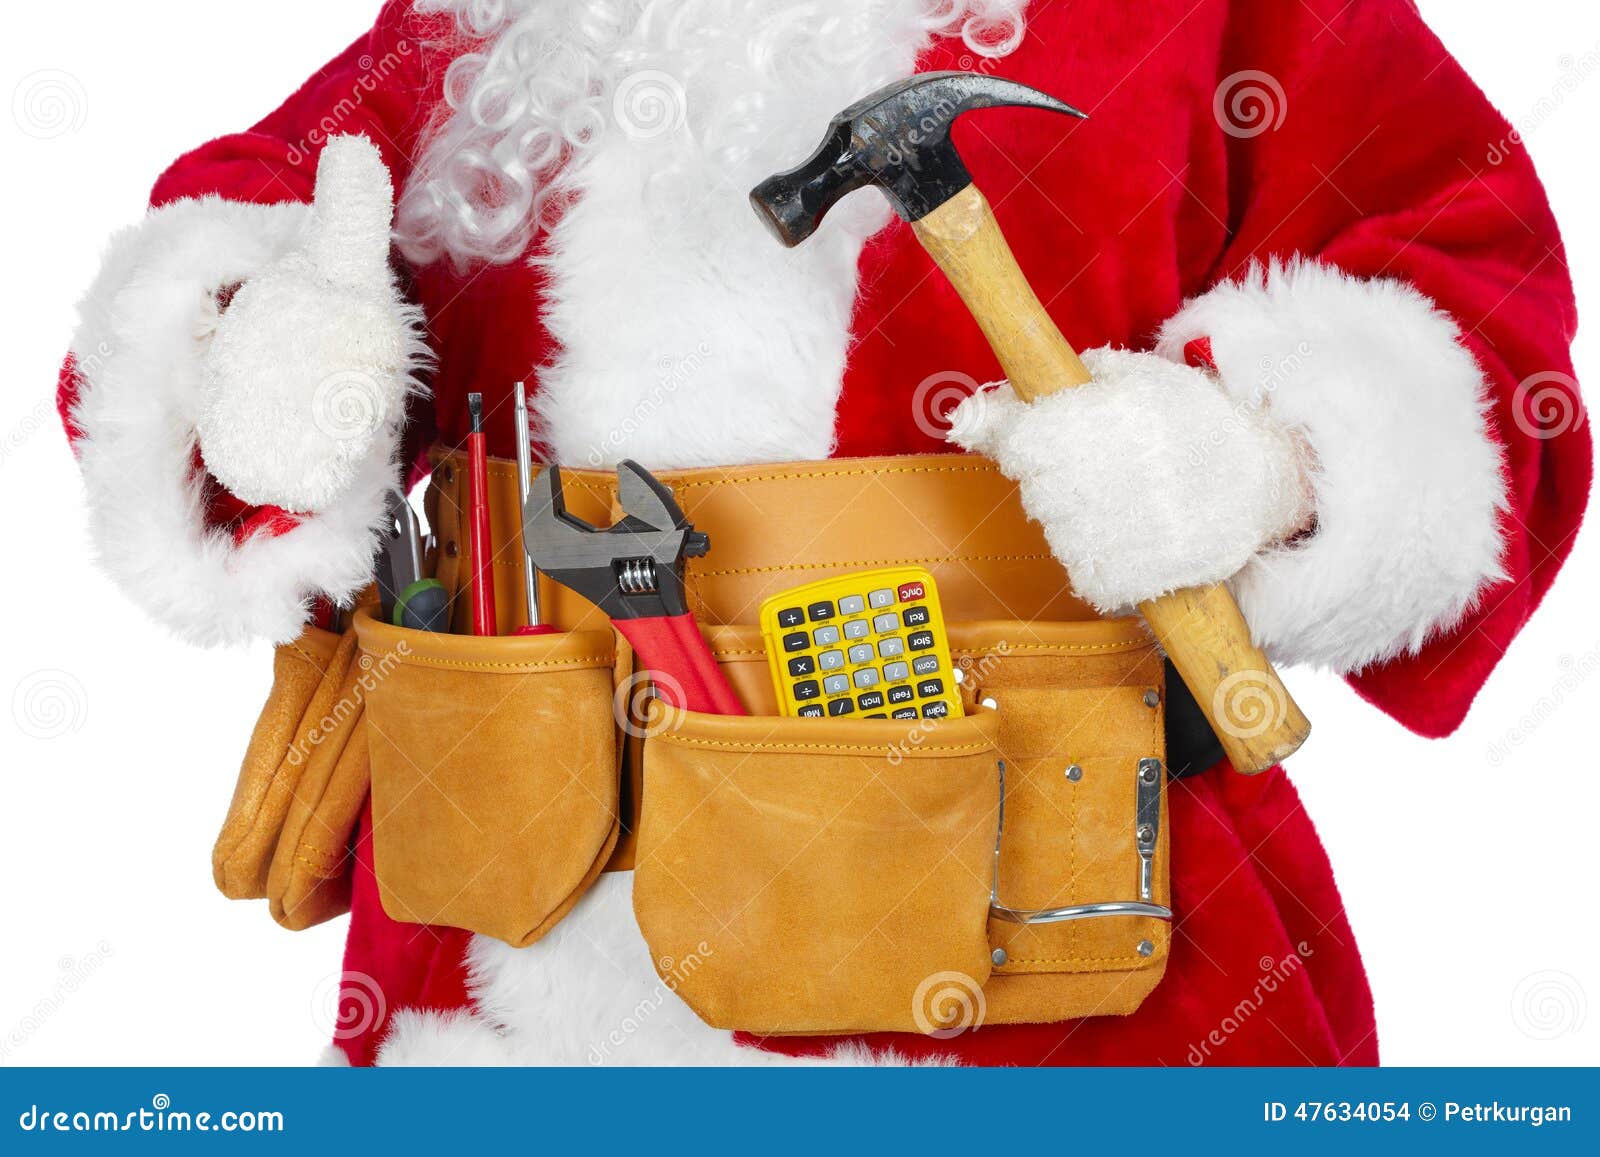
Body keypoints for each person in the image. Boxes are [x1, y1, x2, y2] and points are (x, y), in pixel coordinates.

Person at [59, 0, 1588, 1065]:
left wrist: (1273, 468)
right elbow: (228, 250)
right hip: (518, 981)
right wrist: (261, 351)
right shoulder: (478, 23)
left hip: (1077, 990)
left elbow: (1466, 282)